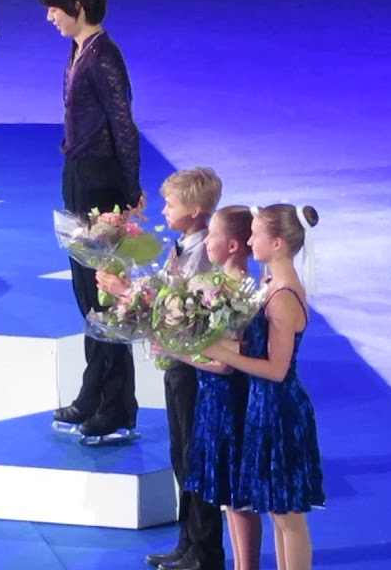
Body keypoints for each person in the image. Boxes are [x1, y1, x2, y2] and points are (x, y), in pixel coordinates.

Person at [98, 169, 229, 569]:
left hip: (195, 371)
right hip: (177, 364)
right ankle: (188, 541)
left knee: (194, 456)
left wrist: (130, 294)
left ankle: (205, 551)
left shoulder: (204, 253)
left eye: (171, 204)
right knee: (180, 454)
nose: (165, 210)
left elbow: (184, 309)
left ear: (195, 211)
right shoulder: (184, 244)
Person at [39, 0, 144, 444]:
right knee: (86, 298)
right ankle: (92, 392)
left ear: (78, 8)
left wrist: (128, 191)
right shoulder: (78, 49)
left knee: (105, 296)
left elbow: (124, 126)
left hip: (102, 186)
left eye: (55, 9)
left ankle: (117, 407)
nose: (49, 18)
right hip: (78, 176)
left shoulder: (104, 58)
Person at [203, 204, 325, 570]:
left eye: (255, 234)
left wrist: (215, 349)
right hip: (264, 405)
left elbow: (276, 369)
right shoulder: (271, 285)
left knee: (288, 516)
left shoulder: (283, 297)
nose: (250, 240)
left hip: (280, 408)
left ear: (275, 243)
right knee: (277, 511)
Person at [157, 206, 264, 570]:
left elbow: (223, 362)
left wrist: (176, 349)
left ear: (234, 246)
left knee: (236, 495)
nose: (208, 244)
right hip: (211, 400)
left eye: (214, 237)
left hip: (227, 399)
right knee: (227, 497)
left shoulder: (236, 292)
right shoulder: (218, 285)